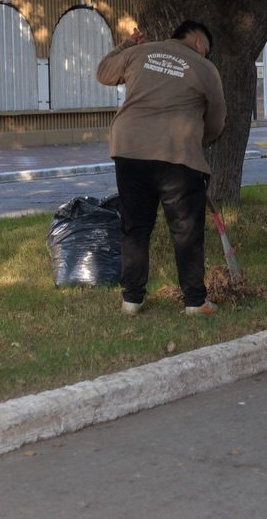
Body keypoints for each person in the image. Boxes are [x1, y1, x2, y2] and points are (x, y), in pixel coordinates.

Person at [96, 20, 227, 317]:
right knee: (185, 230)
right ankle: (194, 301)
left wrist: (127, 44)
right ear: (197, 41)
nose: (206, 54)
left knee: (134, 226)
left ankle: (131, 300)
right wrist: (196, 140)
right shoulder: (205, 68)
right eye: (206, 48)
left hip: (130, 150)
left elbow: (103, 72)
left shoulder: (139, 53)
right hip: (177, 154)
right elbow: (217, 121)